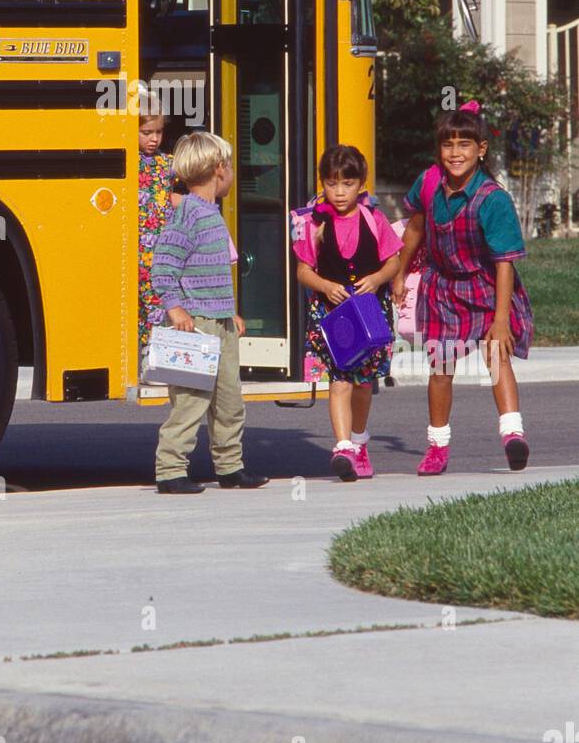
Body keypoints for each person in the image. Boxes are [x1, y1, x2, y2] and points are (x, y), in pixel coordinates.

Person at [393, 101, 533, 475]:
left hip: (485, 286)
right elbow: (415, 230)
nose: (455, 153)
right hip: (442, 288)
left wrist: (500, 320)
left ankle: (512, 435)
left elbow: (504, 264)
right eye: (448, 145)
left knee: (496, 355)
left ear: (481, 150)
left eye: (465, 145)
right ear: (439, 149)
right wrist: (399, 273)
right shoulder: (428, 183)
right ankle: (437, 445)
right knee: (440, 367)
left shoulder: (493, 200)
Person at [151, 131, 268, 494]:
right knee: (190, 401)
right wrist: (175, 308)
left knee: (229, 400)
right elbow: (163, 267)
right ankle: (170, 469)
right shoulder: (188, 213)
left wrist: (229, 313)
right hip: (195, 328)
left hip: (219, 322)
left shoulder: (211, 214)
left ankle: (230, 466)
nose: (232, 174)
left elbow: (211, 274)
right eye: (230, 167)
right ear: (219, 170)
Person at [293, 144, 402, 481]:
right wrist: (325, 286)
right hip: (333, 314)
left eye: (347, 184)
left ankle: (359, 439)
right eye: (331, 183)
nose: (339, 192)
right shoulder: (314, 223)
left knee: (364, 383)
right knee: (339, 381)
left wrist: (380, 278)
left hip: (369, 312)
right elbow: (303, 271)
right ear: (323, 184)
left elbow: (393, 260)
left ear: (361, 184)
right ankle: (342, 448)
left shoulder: (374, 219)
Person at [138, 100, 182, 356]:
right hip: (136, 245)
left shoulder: (167, 163)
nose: (154, 139)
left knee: (157, 296)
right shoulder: (128, 163)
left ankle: (154, 351)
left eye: (158, 132)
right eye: (146, 133)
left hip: (161, 246)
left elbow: (193, 169)